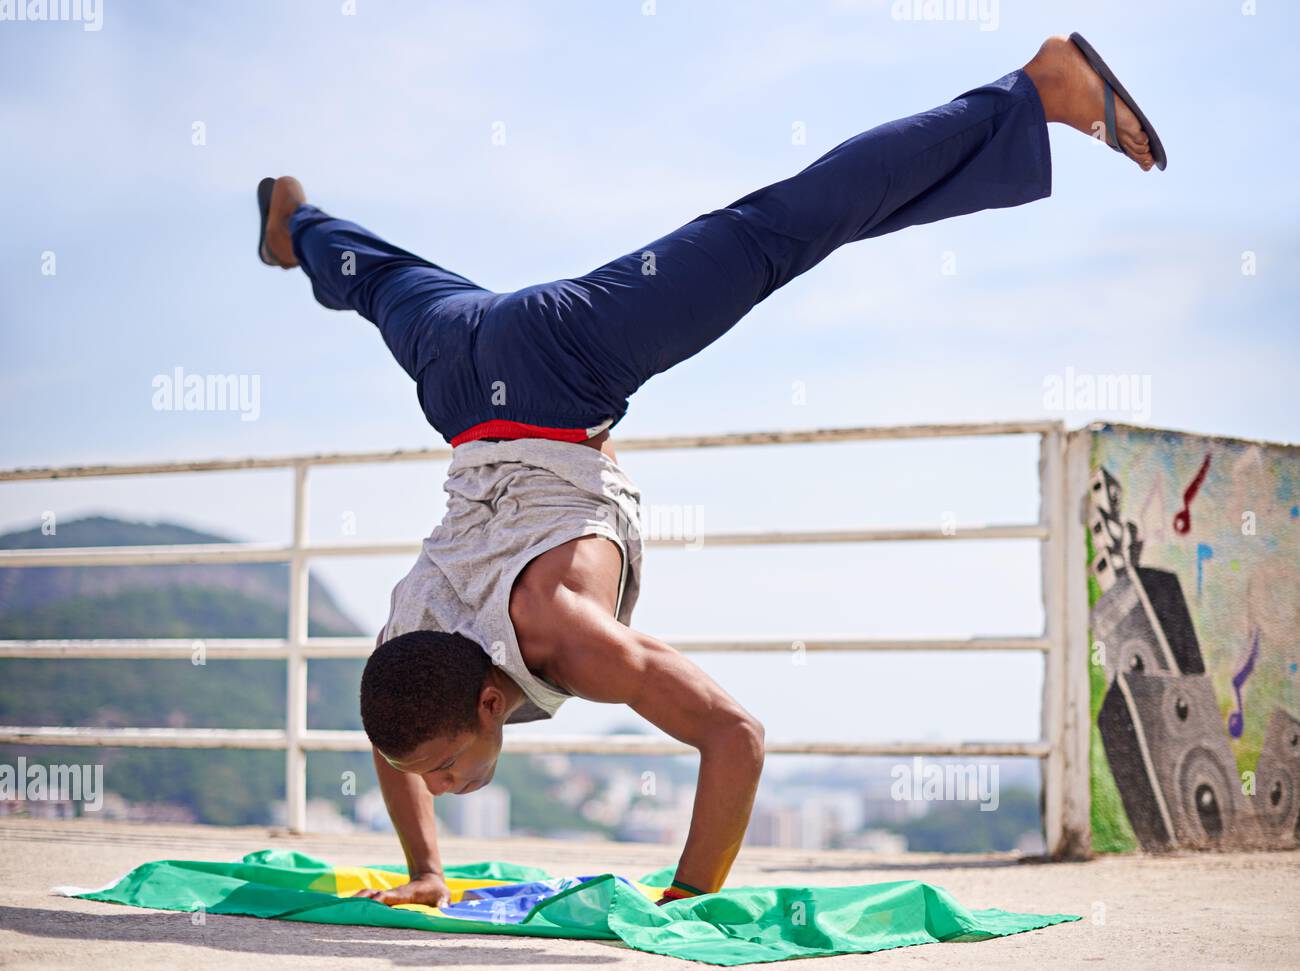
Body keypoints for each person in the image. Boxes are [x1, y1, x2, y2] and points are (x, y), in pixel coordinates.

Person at [256, 33, 1164, 908]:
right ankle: (297, 224)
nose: (445, 784)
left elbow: (736, 736)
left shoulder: (566, 633)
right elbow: (397, 744)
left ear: (494, 699)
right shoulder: (404, 666)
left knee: (777, 231)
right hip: (459, 372)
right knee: (376, 283)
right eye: (435, 775)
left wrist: (688, 895)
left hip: (562, 365)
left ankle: (1040, 90)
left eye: (449, 768)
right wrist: (427, 871)